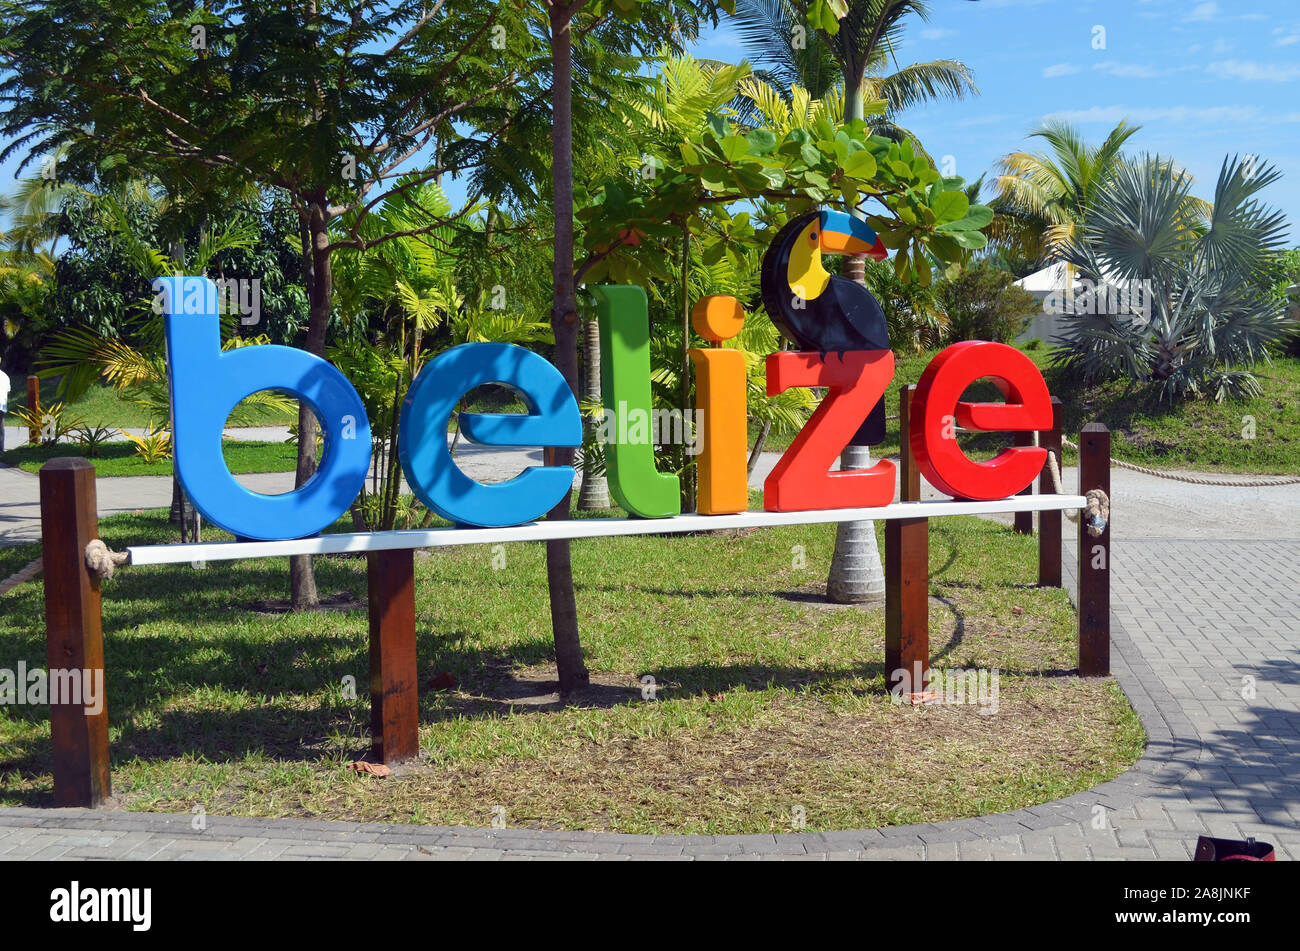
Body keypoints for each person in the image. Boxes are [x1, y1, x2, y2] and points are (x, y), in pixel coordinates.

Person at [0, 366, 9, 453]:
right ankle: (1, 450)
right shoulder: (5, 376)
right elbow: (8, 392)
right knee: (1, 429)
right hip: (2, 405)